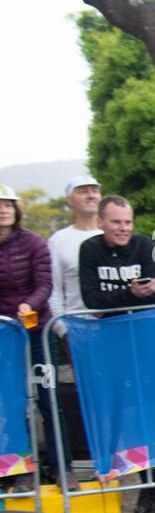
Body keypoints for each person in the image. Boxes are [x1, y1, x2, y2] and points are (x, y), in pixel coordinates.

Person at [77, 195, 155, 513]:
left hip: (147, 342)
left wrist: (136, 296)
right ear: (102, 221)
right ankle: (142, 485)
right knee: (128, 414)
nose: (123, 229)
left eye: (128, 222)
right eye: (116, 222)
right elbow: (92, 300)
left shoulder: (144, 245)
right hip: (111, 346)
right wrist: (130, 295)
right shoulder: (89, 250)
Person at [0, 184, 57, 492]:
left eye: (8, 204)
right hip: (4, 337)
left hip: (36, 332)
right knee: (11, 404)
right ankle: (20, 470)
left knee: (48, 401)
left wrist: (30, 305)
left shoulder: (33, 241)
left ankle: (63, 468)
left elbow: (46, 283)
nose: (4, 209)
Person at [47, 174, 102, 327]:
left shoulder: (116, 234)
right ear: (70, 200)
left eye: (94, 190)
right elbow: (54, 291)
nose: (91, 195)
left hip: (116, 322)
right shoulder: (58, 240)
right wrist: (62, 330)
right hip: (79, 325)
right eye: (83, 191)